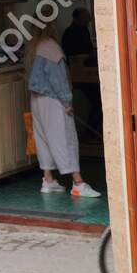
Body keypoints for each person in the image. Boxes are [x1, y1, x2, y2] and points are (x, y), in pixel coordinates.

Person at [27, 30, 101, 198]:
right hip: (53, 100)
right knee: (65, 139)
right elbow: (58, 79)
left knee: (43, 138)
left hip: (36, 99)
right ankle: (78, 183)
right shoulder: (51, 48)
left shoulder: (33, 48)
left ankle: (48, 180)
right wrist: (67, 102)